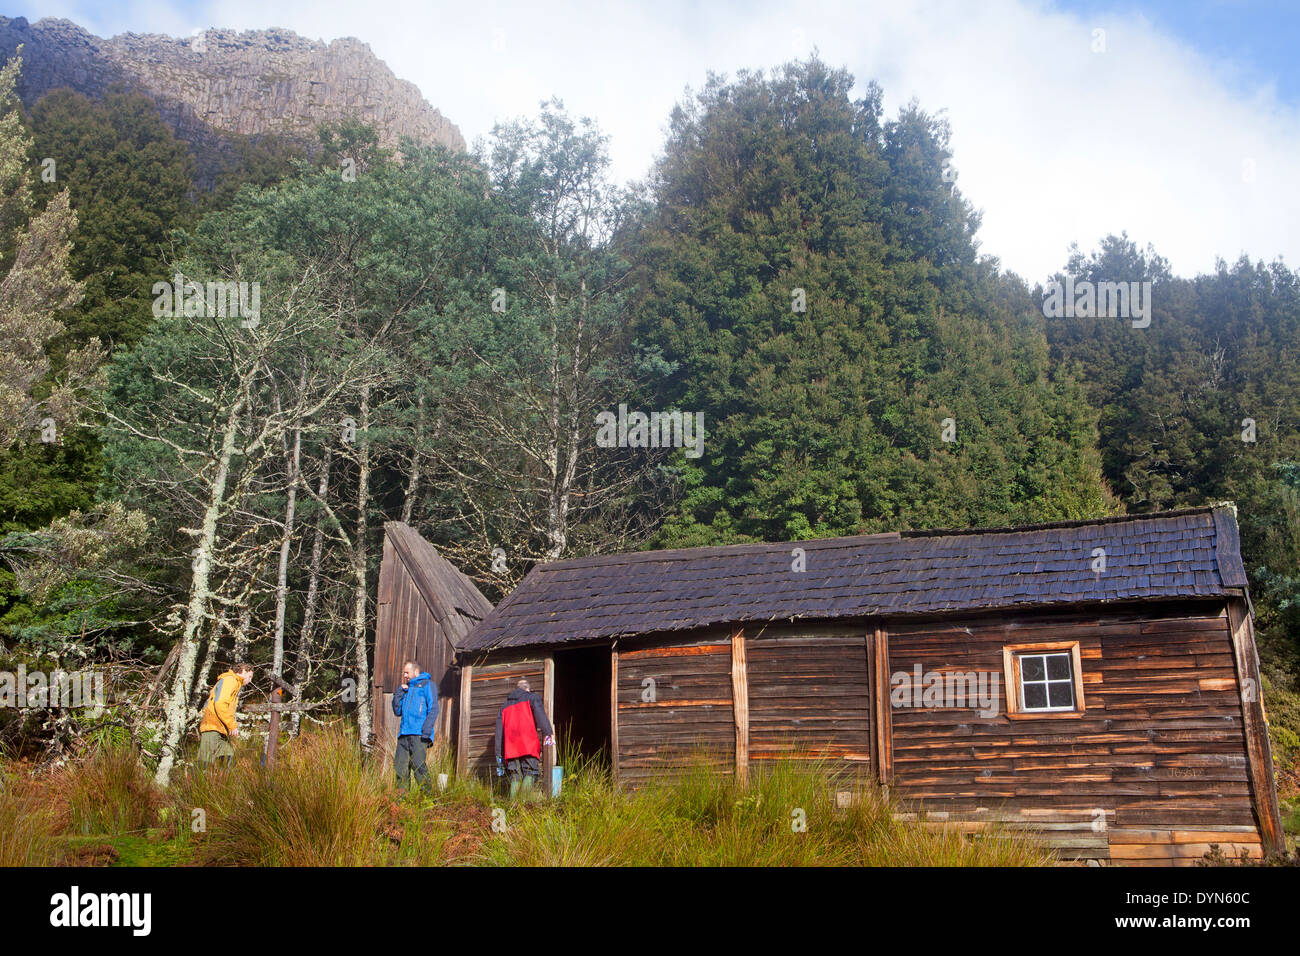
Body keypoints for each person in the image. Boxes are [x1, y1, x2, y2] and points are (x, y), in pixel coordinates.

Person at [494, 678, 554, 798]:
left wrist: (499, 753)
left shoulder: (504, 706)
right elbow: (541, 716)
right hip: (528, 743)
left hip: (510, 747)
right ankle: (523, 804)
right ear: (527, 689)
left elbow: (499, 731)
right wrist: (548, 732)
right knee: (531, 772)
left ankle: (513, 807)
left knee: (515, 775)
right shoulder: (532, 698)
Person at [392, 660, 438, 791]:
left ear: (416, 672)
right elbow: (397, 711)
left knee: (418, 766)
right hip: (403, 734)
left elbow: (434, 708)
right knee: (400, 767)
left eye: (407, 672)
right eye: (404, 673)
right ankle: (402, 800)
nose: (405, 675)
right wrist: (398, 693)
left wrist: (426, 731)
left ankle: (427, 798)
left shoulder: (427, 685)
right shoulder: (406, 689)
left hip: (419, 734)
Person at [198, 661, 254, 768]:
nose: (250, 680)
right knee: (204, 764)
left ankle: (223, 783)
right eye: (249, 676)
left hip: (220, 729)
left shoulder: (234, 683)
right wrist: (232, 725)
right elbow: (220, 703)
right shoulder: (230, 680)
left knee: (229, 760)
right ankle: (193, 784)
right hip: (212, 727)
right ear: (242, 671)